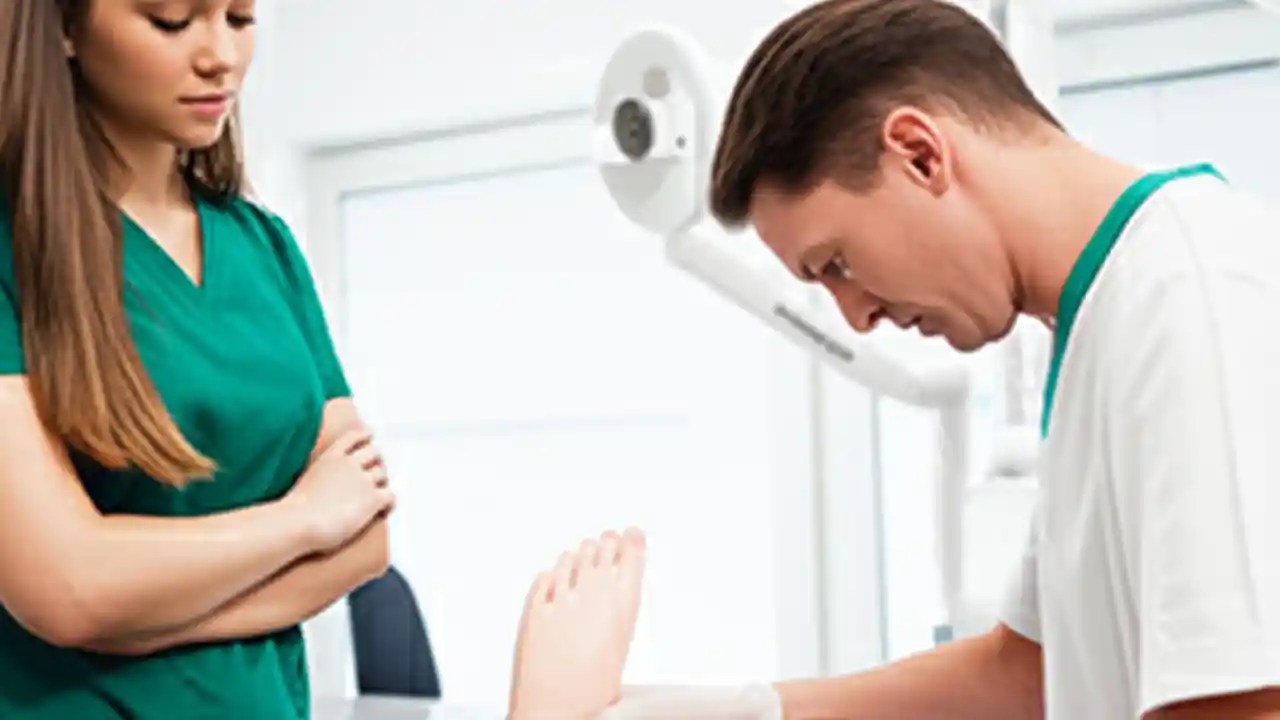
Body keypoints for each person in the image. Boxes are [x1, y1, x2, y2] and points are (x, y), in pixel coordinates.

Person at [509, 0, 1280, 718]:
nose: (858, 315)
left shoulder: (1190, 294)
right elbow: (1022, 673)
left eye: (836, 262)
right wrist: (685, 712)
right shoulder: (1108, 320)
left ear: (919, 154)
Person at [0, 1, 395, 717]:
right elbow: (68, 586)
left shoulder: (265, 248)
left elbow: (365, 538)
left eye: (240, 18)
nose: (221, 56)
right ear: (61, 26)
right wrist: (301, 521)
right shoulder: (13, 253)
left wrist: (127, 622)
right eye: (172, 21)